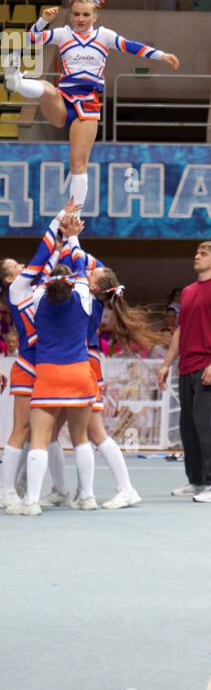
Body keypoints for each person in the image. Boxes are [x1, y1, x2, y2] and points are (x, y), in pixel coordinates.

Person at [4, 0, 180, 210]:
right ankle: (17, 82)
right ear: (71, 14)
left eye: (86, 15)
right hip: (63, 100)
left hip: (87, 105)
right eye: (76, 14)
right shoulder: (63, 34)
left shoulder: (104, 36)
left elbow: (131, 46)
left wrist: (161, 55)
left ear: (95, 16)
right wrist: (43, 21)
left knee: (78, 163)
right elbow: (30, 39)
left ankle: (73, 215)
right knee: (46, 89)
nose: (80, 19)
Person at [59, 223, 161, 509]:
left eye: (93, 274)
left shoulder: (85, 292)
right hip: (84, 361)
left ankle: (125, 488)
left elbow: (78, 256)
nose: (90, 271)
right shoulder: (95, 292)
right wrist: (72, 233)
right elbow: (85, 259)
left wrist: (70, 228)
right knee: (77, 433)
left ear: (94, 285)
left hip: (85, 362)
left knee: (94, 432)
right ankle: (81, 490)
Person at [0, 202, 76, 512]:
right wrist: (59, 218)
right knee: (20, 429)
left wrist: (65, 240)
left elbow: (50, 264)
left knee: (40, 432)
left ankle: (27, 486)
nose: (21, 268)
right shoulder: (18, 289)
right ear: (8, 278)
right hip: (28, 365)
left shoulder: (36, 287)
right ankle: (6, 491)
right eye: (15, 266)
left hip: (45, 366)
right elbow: (41, 257)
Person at [156, 242, 211, 503]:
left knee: (207, 425)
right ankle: (198, 481)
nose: (197, 256)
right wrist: (167, 363)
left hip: (209, 365)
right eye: (197, 253)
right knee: (188, 427)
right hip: (186, 366)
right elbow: (180, 331)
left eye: (203, 254)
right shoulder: (188, 292)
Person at [18, 260, 97, 516]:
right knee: (81, 438)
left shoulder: (38, 298)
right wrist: (71, 237)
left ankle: (31, 501)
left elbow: (39, 276)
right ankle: (87, 496)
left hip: (49, 374)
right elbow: (83, 269)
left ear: (48, 283)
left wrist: (53, 252)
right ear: (71, 284)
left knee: (40, 439)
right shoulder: (83, 298)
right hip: (79, 373)